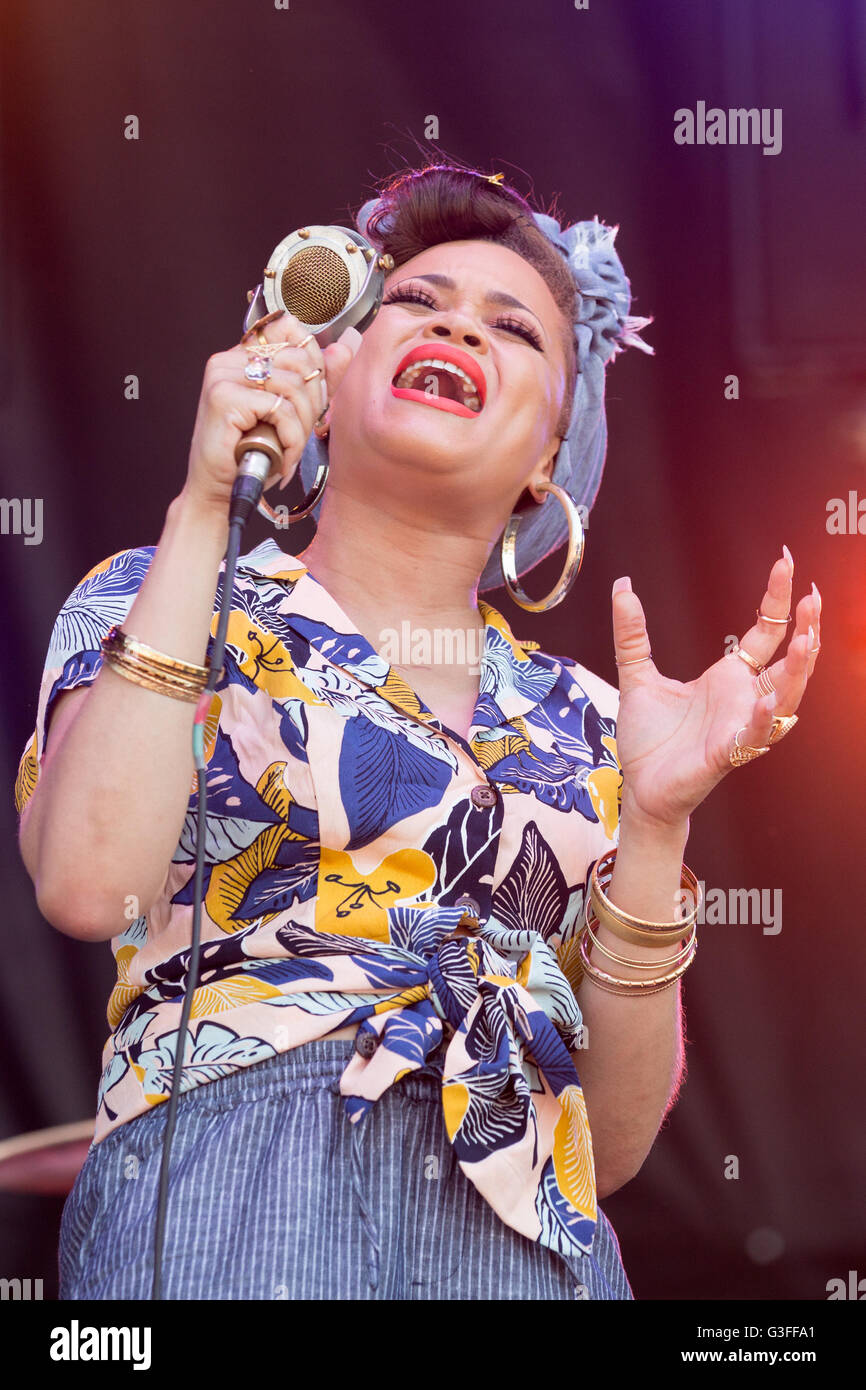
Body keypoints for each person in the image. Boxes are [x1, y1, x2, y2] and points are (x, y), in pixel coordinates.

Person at [15, 159, 820, 1301]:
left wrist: (651, 822)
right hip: (233, 1197)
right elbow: (91, 887)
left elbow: (617, 1148)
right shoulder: (166, 592)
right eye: (416, 301)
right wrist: (203, 504)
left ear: (549, 456)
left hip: (532, 1247)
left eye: (513, 328)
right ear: (331, 370)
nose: (457, 327)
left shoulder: (590, 720)